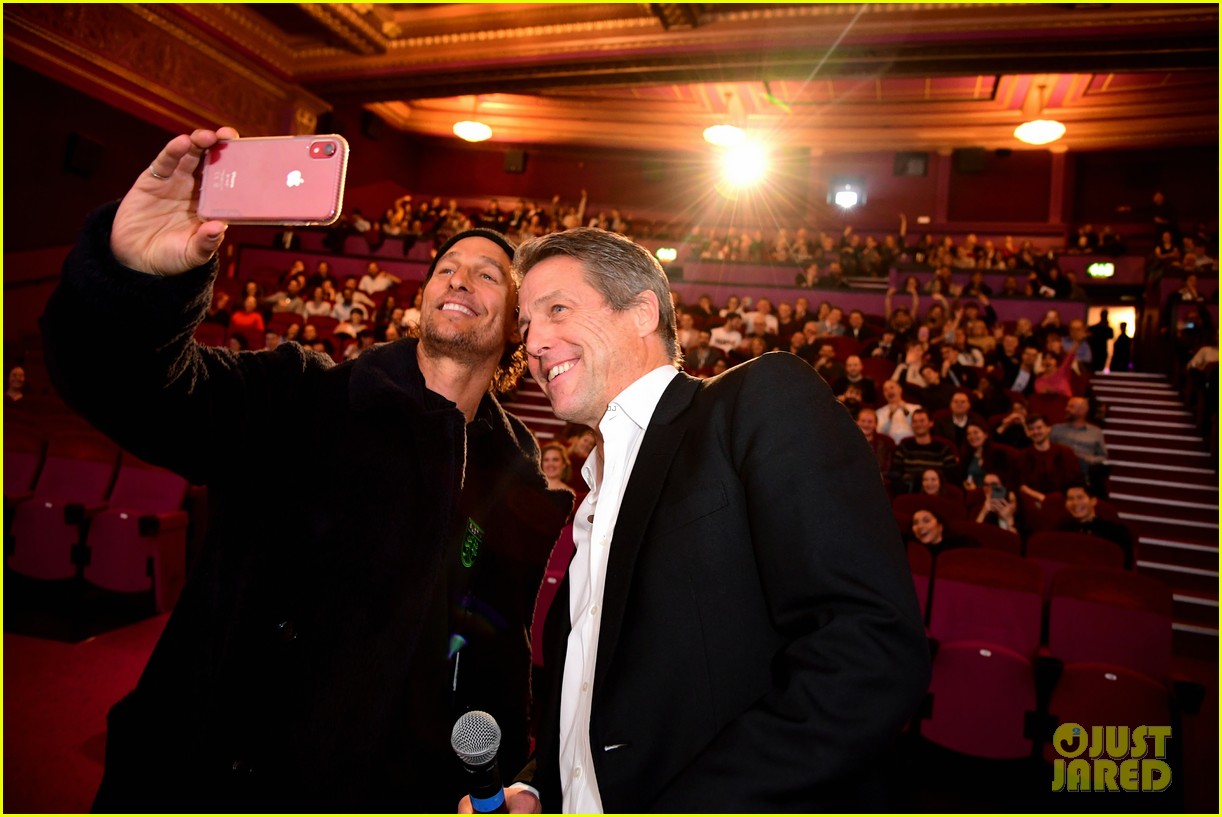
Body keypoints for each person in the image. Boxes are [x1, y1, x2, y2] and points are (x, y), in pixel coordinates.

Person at [39, 128, 572, 812]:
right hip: (202, 778)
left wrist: (501, 779)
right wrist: (139, 275)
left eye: (488, 273)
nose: (460, 276)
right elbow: (138, 391)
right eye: (447, 267)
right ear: (421, 299)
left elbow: (495, 658)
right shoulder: (302, 393)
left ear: (513, 330)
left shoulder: (515, 484)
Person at [506, 227, 929, 812]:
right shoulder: (590, 500)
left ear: (641, 311)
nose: (534, 342)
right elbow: (594, 690)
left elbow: (866, 651)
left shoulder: (756, 402)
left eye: (557, 309)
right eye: (526, 325)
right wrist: (539, 784)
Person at [1055, 483, 1135, 569]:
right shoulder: (1061, 529)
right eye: (1070, 499)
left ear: (1093, 501)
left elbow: (1125, 566)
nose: (1075, 503)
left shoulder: (1116, 531)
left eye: (1080, 497)